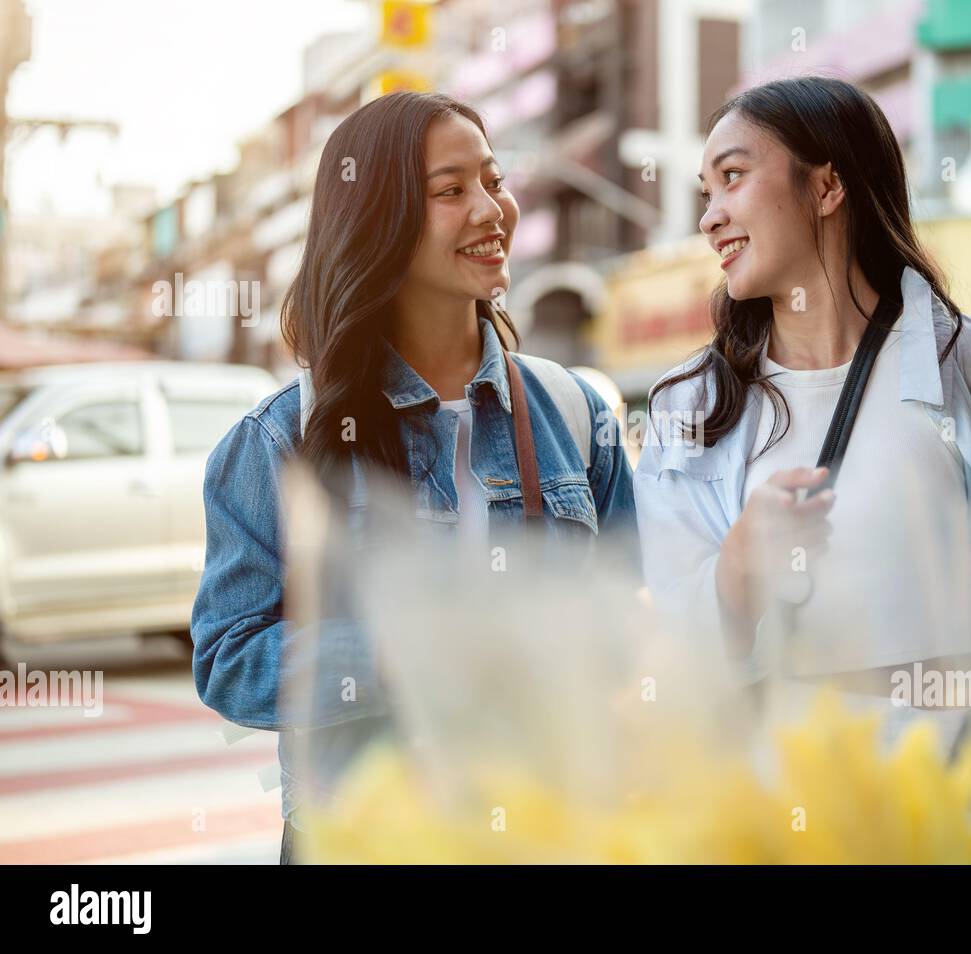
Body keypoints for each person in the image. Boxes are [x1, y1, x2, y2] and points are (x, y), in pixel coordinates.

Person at [190, 92, 637, 863]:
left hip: (547, 829)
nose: (492, 209)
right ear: (377, 220)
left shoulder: (576, 412)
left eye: (494, 182)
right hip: (365, 839)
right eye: (450, 190)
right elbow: (230, 662)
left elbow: (633, 620)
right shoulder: (278, 442)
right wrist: (405, 651)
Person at [633, 77, 971, 833]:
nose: (710, 216)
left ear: (828, 184)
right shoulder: (688, 404)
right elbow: (673, 655)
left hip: (949, 803)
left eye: (733, 177)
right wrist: (740, 567)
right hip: (773, 812)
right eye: (704, 192)